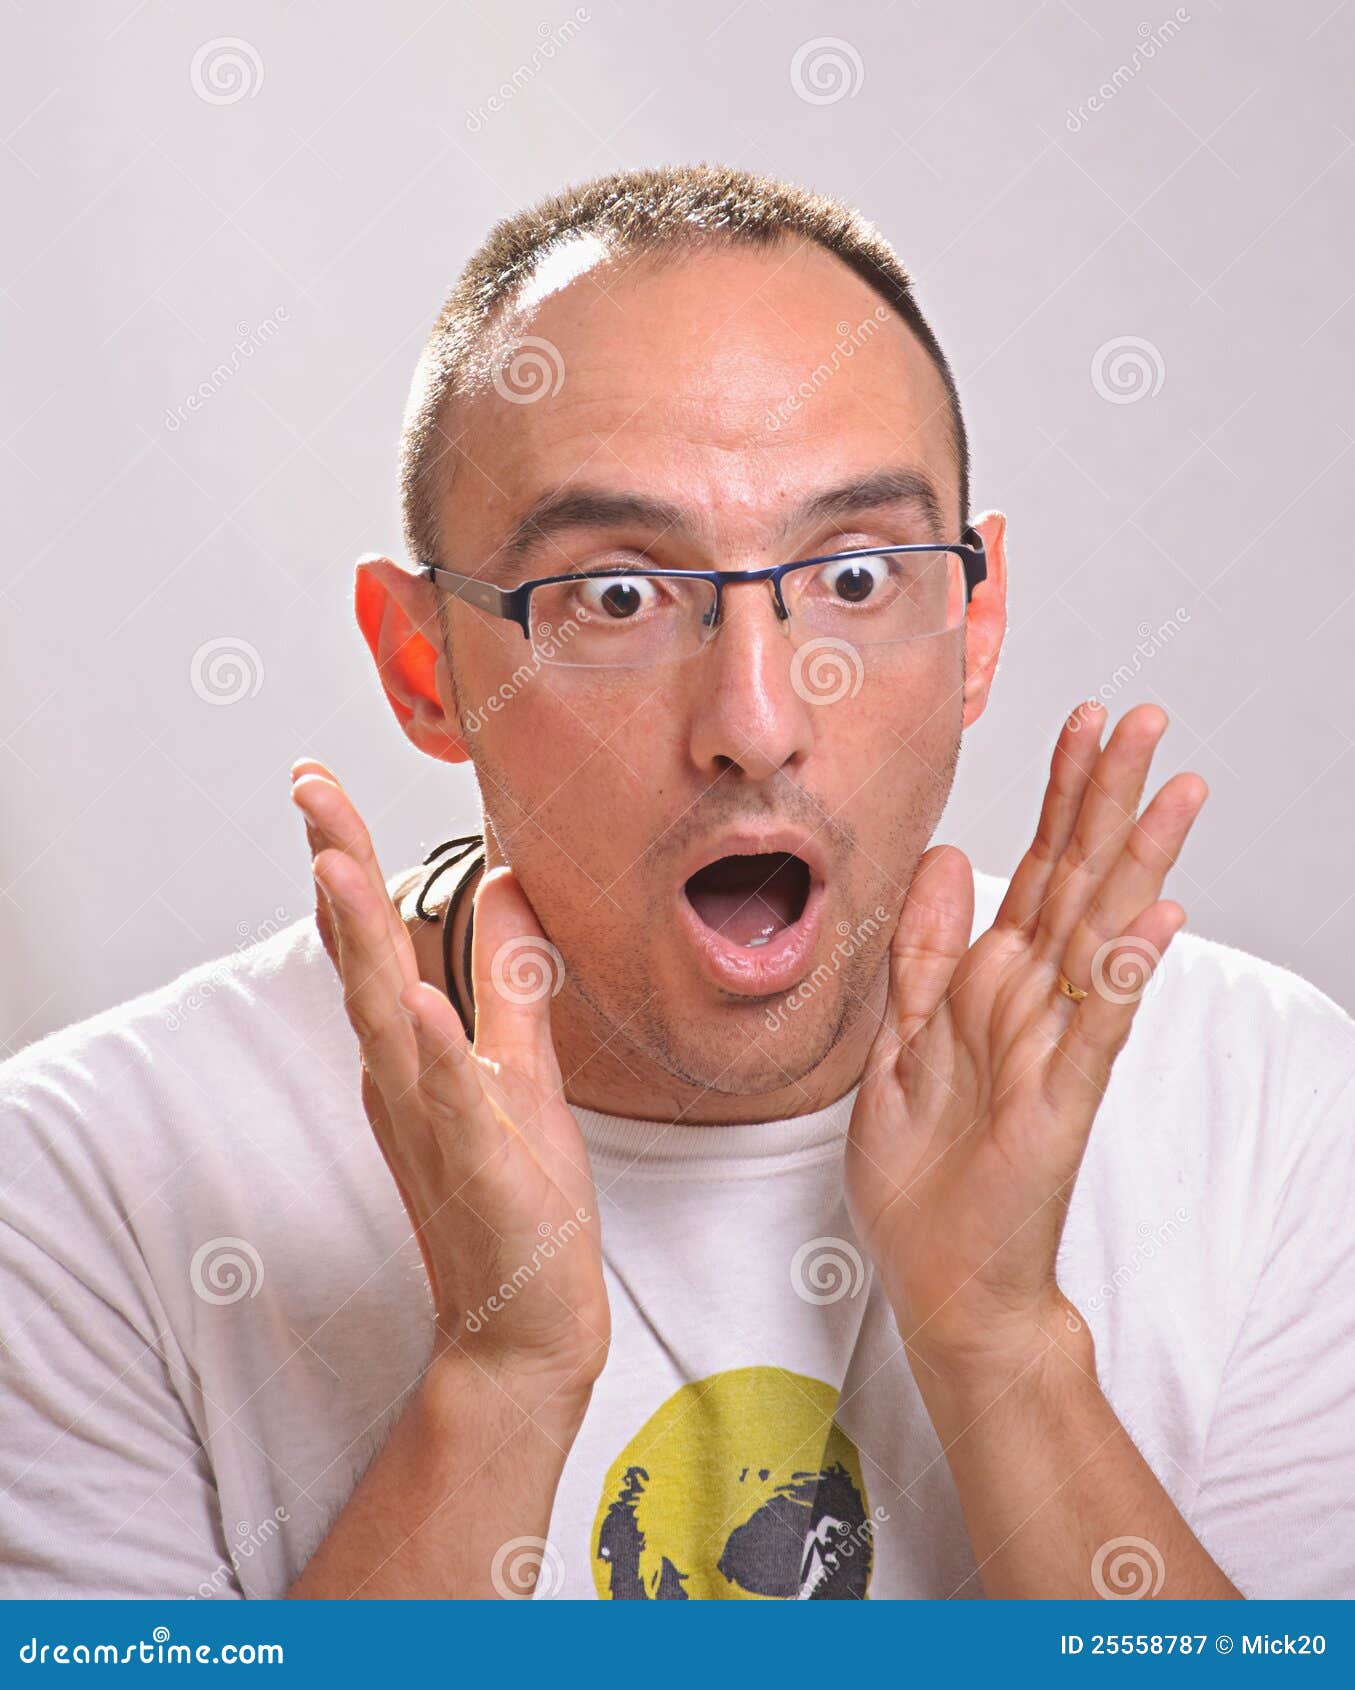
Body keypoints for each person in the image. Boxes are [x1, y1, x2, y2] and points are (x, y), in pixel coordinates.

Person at [2, 164, 1352, 1603]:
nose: (757, 719)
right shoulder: (94, 1179)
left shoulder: (1263, 1100)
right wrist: (501, 1375)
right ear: (425, 666)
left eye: (854, 575)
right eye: (620, 594)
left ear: (975, 616)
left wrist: (1005, 1347)